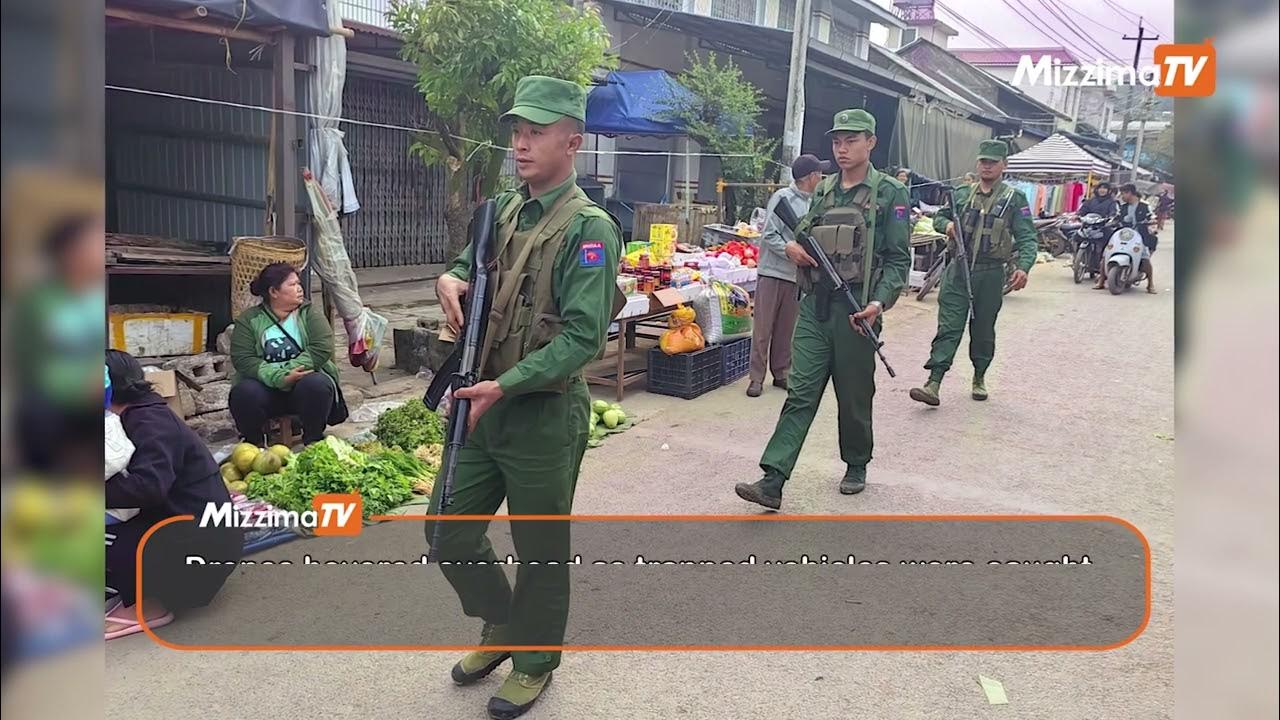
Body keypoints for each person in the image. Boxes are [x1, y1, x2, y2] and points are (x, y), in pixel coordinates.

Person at [428, 75, 623, 720]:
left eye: (535, 132)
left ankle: (535, 660)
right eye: (517, 131)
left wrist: (505, 385)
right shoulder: (504, 211)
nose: (520, 144)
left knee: (539, 547)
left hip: (540, 411)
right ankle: (502, 624)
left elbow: (582, 338)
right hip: (477, 402)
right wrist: (451, 280)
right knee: (447, 530)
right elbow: (467, 264)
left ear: (574, 141)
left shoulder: (589, 229)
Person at [734, 108, 912, 507]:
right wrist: (794, 247)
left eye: (851, 139)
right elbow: (802, 230)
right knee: (800, 393)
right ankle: (773, 480)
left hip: (856, 313)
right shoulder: (826, 189)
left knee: (853, 396)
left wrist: (878, 302)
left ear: (871, 142)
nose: (842, 147)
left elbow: (899, 259)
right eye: (837, 141)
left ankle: (856, 462)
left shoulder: (890, 193)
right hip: (816, 307)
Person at [104, 350, 244, 640]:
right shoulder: (136, 412)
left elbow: (149, 487)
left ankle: (149, 604)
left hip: (199, 548)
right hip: (191, 532)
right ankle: (133, 588)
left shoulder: (148, 421)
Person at [909, 139, 1038, 407]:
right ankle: (933, 382)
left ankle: (979, 376)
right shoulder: (960, 194)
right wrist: (946, 227)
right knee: (949, 326)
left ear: (1004, 165)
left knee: (982, 330)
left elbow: (1027, 238)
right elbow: (939, 216)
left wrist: (1024, 268)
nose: (987, 166)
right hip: (958, 269)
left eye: (992, 162)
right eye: (983, 161)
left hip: (991, 274)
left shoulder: (1015, 199)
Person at [228, 262, 348, 447]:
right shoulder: (249, 320)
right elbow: (243, 358)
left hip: (302, 389)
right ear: (274, 292)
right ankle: (254, 444)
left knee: (317, 384)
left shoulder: (309, 314)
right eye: (292, 285)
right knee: (243, 393)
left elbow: (321, 348)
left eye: (298, 284)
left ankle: (313, 439)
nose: (299, 289)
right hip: (266, 390)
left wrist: (290, 372)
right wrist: (279, 378)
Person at [747, 153, 830, 397]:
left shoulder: (816, 202)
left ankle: (781, 372)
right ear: (811, 177)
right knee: (763, 330)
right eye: (819, 174)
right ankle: (756, 378)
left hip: (797, 276)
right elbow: (769, 235)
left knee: (787, 330)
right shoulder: (782, 198)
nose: (822, 178)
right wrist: (789, 250)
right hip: (773, 272)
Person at [1094, 183, 1156, 294]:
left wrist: (1151, 224)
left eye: (1123, 194)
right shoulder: (1123, 207)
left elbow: (1152, 217)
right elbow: (1116, 217)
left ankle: (1150, 284)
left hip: (1139, 237)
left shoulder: (1144, 206)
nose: (1122, 196)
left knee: (1145, 258)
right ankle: (1101, 281)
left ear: (1130, 193)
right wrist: (1111, 222)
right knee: (1106, 255)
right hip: (1122, 235)